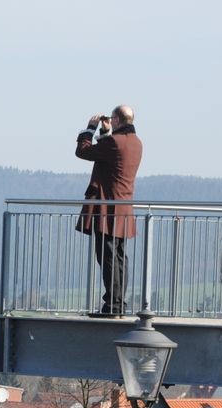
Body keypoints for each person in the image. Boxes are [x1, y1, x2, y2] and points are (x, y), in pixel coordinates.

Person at [75, 104, 143, 317]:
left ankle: (112, 305)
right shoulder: (135, 143)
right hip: (123, 208)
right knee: (119, 258)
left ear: (117, 120)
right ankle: (118, 303)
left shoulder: (115, 142)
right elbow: (109, 158)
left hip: (107, 210)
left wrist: (90, 129)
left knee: (107, 257)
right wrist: (106, 132)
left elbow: (83, 151)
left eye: (112, 119)